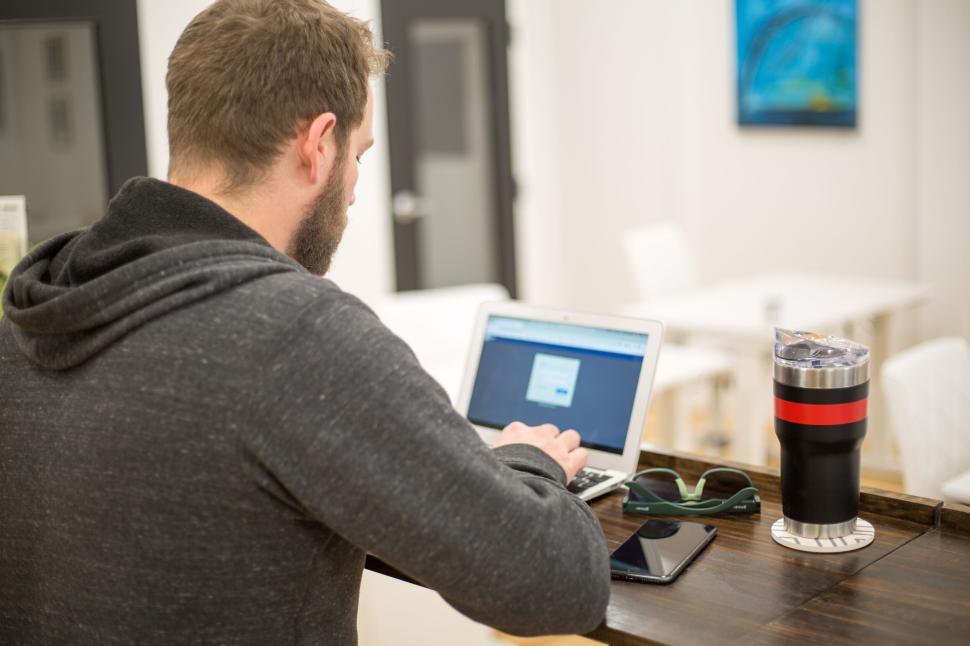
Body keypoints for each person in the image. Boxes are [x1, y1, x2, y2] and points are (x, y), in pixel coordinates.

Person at [0, 1, 610, 644]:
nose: (353, 189)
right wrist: (528, 463)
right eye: (359, 156)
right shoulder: (295, 336)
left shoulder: (35, 316)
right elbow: (556, 585)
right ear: (319, 146)